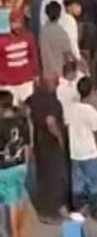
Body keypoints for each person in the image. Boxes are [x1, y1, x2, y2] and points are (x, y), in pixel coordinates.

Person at [29, 73, 69, 221]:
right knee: (55, 178)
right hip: (50, 145)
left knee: (43, 177)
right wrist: (60, 138)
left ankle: (44, 210)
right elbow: (50, 122)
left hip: (39, 145)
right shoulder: (52, 101)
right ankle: (54, 211)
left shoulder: (34, 99)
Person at [64, 76, 97, 207]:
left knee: (77, 183)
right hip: (90, 151)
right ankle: (95, 207)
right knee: (96, 182)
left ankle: (78, 206)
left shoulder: (69, 108)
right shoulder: (92, 112)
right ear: (91, 92)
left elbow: (66, 127)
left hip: (74, 151)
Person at [0, 88, 30, 237]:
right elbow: (27, 145)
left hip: (4, 168)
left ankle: (14, 234)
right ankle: (19, 231)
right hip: (20, 164)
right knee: (17, 200)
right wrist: (27, 165)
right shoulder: (22, 120)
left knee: (10, 203)